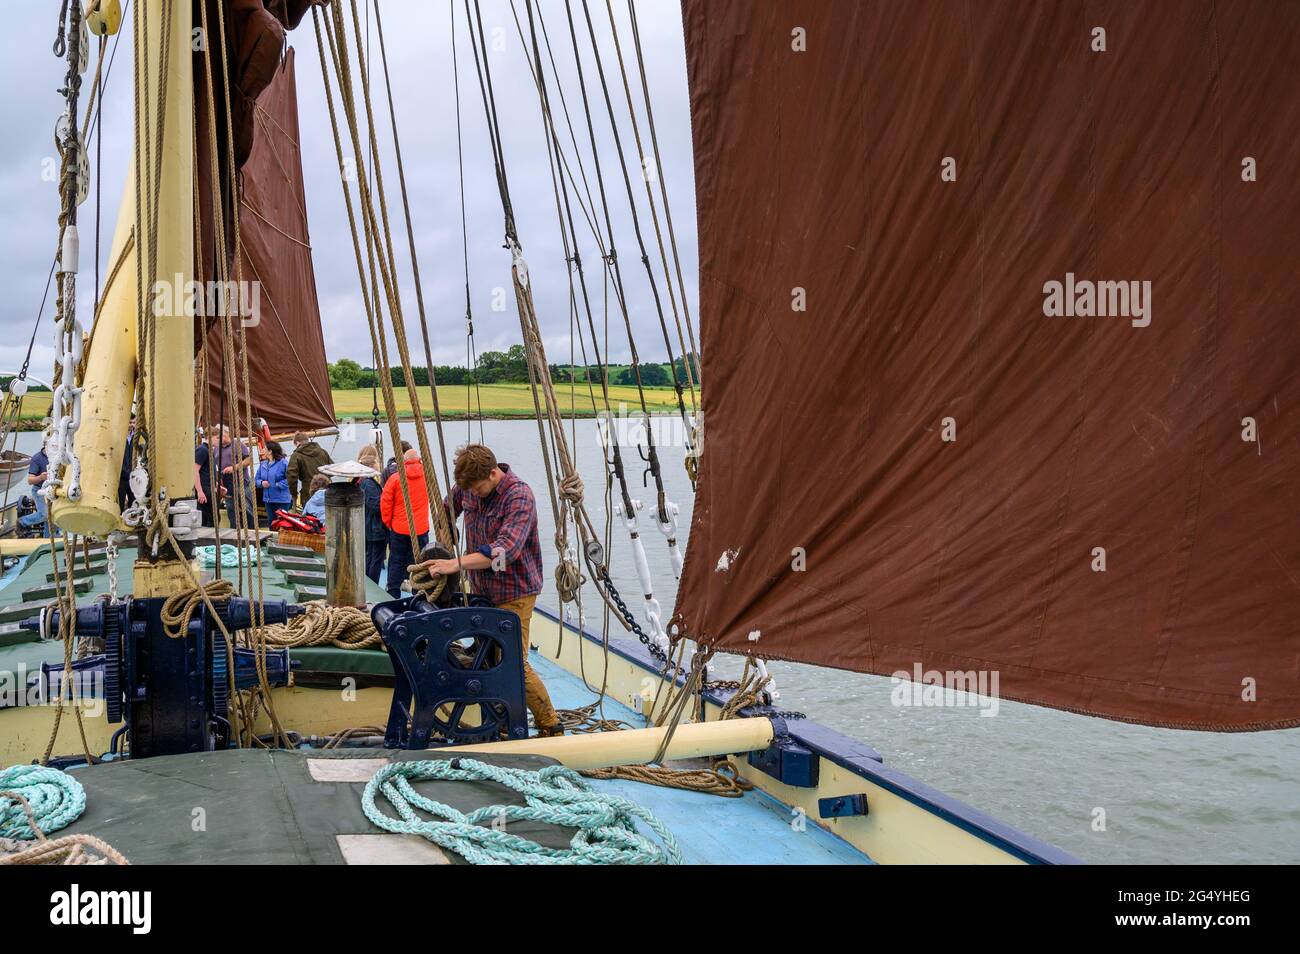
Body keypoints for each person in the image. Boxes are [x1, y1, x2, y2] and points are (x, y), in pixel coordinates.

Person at [423, 443, 561, 736]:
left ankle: (551, 725)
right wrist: (447, 534)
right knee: (488, 659)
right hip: (483, 589)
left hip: (515, 593)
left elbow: (503, 552)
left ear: (493, 473)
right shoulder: (469, 486)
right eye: (468, 489)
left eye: (478, 488)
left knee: (512, 663)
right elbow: (447, 510)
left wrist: (454, 564)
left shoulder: (519, 496)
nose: (473, 494)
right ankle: (501, 724)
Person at [379, 448, 429, 599]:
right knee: (418, 562)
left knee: (396, 559)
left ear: (403, 461)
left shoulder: (395, 478)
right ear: (419, 460)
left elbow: (385, 503)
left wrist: (389, 523)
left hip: (399, 528)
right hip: (420, 529)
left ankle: (393, 591)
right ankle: (417, 592)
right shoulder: (427, 476)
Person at [356, 445, 387, 584]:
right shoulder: (368, 483)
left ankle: (368, 583)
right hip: (375, 528)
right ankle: (372, 585)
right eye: (377, 462)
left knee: (371, 557)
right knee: (376, 559)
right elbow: (376, 507)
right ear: (372, 465)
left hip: (369, 526)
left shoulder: (362, 481)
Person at [216, 426, 255, 529]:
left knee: (247, 508)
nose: (217, 437)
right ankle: (235, 532)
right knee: (231, 510)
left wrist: (234, 467)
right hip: (226, 484)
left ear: (227, 433)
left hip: (241, 482)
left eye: (220, 435)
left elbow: (249, 460)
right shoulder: (216, 448)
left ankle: (251, 531)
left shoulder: (238, 444)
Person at [286, 431, 332, 508]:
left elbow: (291, 477)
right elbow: (332, 471)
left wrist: (294, 494)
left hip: (309, 493)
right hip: (326, 492)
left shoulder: (296, 455)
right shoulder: (323, 451)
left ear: (297, 443)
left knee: (310, 517)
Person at [19, 434, 50, 533]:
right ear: (46, 445)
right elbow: (30, 480)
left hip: (54, 491)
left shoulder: (61, 456)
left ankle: (49, 539)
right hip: (39, 490)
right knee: (45, 514)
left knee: (55, 517)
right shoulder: (37, 458)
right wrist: (41, 477)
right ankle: (22, 522)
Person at [257, 441, 292, 526]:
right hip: (268, 500)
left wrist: (277, 485)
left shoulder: (283, 463)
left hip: (281, 500)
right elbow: (256, 479)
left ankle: (282, 539)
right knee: (271, 523)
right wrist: (261, 483)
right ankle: (273, 539)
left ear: (270, 451)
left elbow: (291, 478)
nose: (262, 450)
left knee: (282, 523)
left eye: (264, 448)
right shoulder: (263, 464)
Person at [194, 428, 218, 527]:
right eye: (217, 438)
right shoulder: (202, 450)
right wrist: (199, 491)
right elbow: (194, 471)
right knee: (207, 519)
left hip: (209, 489)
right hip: (204, 490)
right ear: (210, 437)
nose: (219, 440)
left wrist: (216, 485)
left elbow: (207, 471)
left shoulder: (209, 450)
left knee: (213, 518)